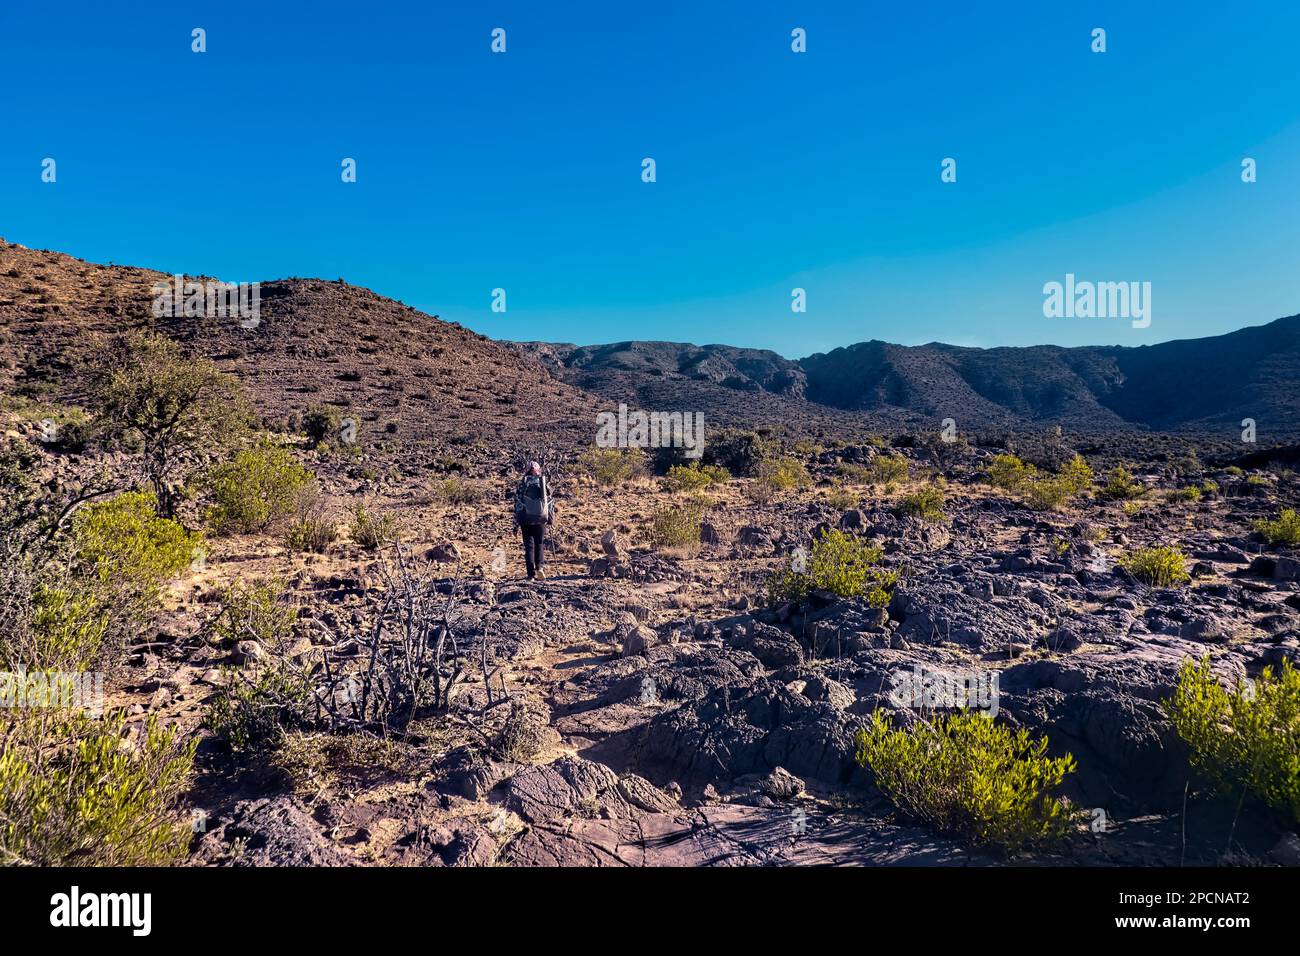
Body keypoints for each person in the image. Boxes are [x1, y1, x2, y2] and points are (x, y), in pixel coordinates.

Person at [512, 461, 554, 579]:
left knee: (529, 546)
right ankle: (540, 568)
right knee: (539, 544)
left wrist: (515, 525)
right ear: (537, 470)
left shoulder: (522, 483)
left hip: (526, 518)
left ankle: (531, 574)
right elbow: (550, 502)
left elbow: (517, 503)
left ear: (527, 470)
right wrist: (550, 519)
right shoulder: (543, 483)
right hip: (541, 518)